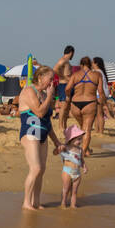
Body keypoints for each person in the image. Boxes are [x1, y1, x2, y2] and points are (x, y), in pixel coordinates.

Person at [18, 66, 61, 211]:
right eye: (50, 80)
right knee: (35, 168)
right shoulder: (30, 90)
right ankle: (26, 202)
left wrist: (56, 141)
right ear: (40, 77)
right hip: (30, 130)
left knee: (41, 170)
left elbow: (48, 122)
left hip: (43, 132)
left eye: (53, 81)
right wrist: (50, 96)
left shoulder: (44, 94)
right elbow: (39, 112)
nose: (52, 84)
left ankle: (36, 202)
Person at [60, 56, 102, 158]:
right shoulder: (97, 75)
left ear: (81, 65)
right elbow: (100, 92)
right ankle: (82, 153)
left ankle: (86, 149)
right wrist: (103, 102)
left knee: (83, 127)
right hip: (89, 102)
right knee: (87, 129)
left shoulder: (75, 75)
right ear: (90, 64)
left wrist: (69, 96)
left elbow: (67, 88)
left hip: (75, 103)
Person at [58, 125, 86, 208]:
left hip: (77, 173)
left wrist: (84, 167)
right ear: (71, 139)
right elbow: (56, 151)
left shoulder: (80, 149)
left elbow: (81, 160)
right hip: (67, 171)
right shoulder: (66, 148)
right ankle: (63, 203)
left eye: (81, 139)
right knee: (66, 189)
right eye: (78, 139)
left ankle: (73, 205)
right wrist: (60, 148)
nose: (80, 141)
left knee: (74, 191)